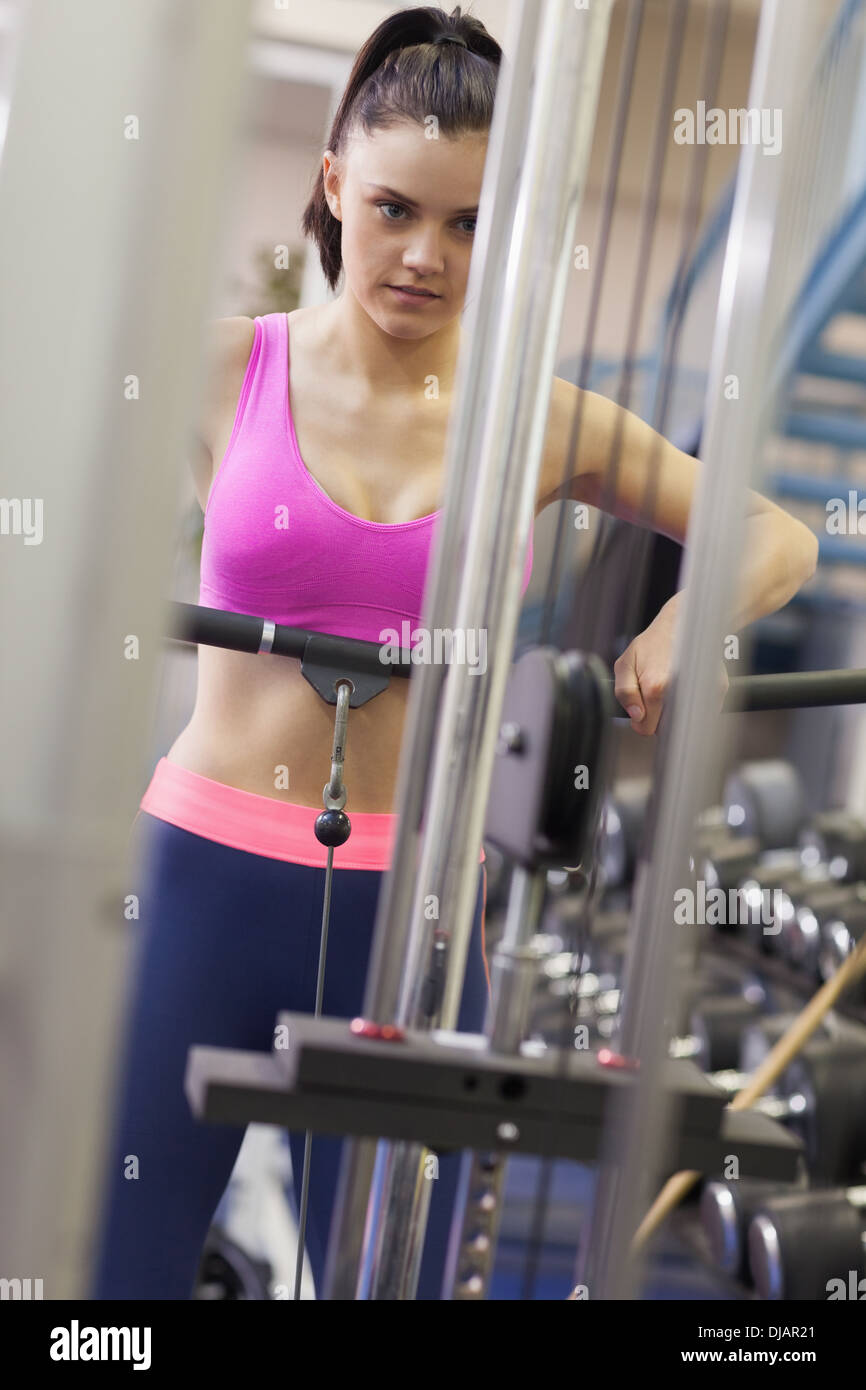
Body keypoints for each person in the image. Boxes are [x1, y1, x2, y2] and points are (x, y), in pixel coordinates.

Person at [89, 4, 818, 1301]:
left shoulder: (535, 421)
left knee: (404, 1287)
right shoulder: (216, 371)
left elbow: (773, 539)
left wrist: (667, 631)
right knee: (109, 1291)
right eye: (393, 209)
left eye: (469, 222)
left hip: (406, 914)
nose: (424, 253)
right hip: (194, 877)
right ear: (333, 186)